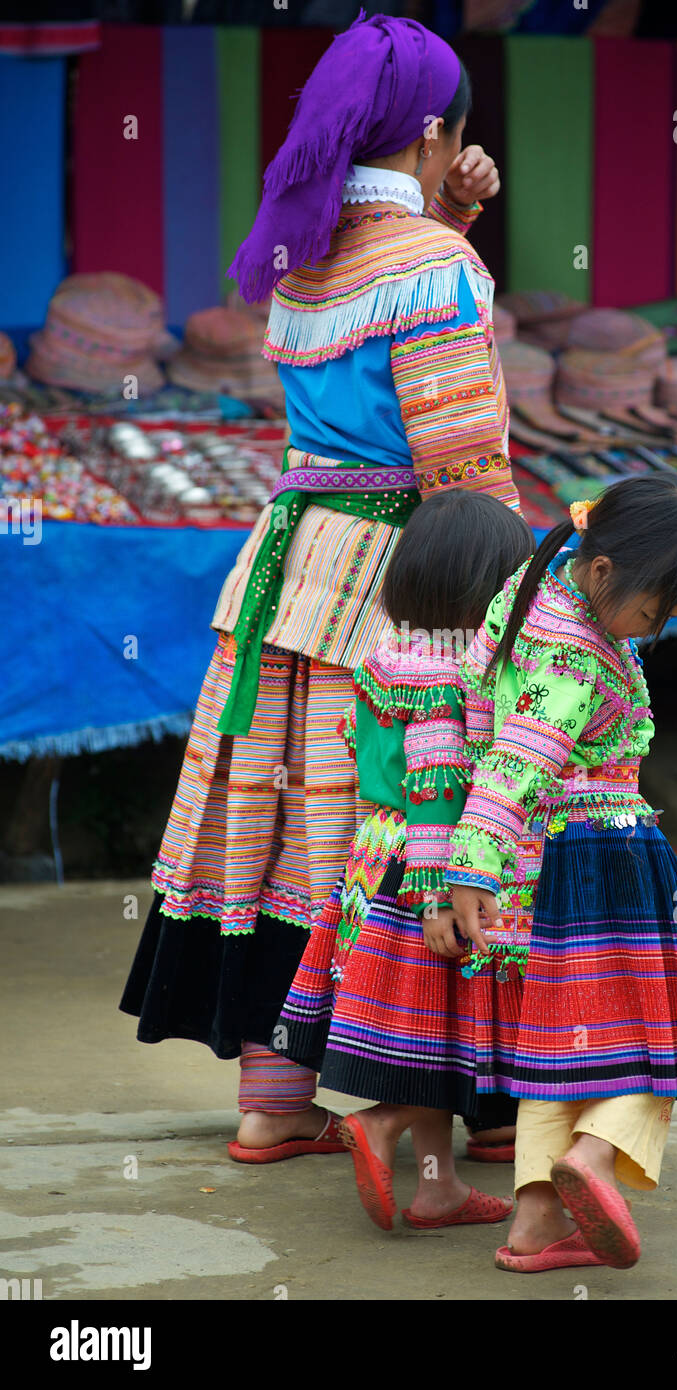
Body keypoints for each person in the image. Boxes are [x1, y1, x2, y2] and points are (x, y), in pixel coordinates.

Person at [119, 13, 521, 1160]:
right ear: (436, 132)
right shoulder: (435, 268)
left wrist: (452, 209)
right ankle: (461, 1104)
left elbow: (359, 381)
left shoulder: (304, 251)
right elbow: (462, 463)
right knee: (412, 819)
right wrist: (512, 608)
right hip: (409, 573)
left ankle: (272, 1103)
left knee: (294, 823)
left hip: (294, 567)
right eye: (453, 135)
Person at [444, 475, 677, 1272]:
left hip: (540, 864)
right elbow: (522, 753)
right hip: (605, 849)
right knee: (660, 1030)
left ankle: (534, 1222)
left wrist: (485, 863)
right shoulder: (580, 658)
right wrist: (469, 864)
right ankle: (597, 1152)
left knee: (563, 1040)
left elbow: (488, 725)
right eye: (654, 614)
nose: (650, 633)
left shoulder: (530, 591)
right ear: (607, 569)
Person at [270, 490, 534, 1229]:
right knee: (455, 1032)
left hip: (373, 859)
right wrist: (440, 895)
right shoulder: (451, 675)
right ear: (486, 588)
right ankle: (382, 1125)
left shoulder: (385, 656)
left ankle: (438, 1184)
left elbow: (366, 761)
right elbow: (436, 789)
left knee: (424, 1028)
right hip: (431, 868)